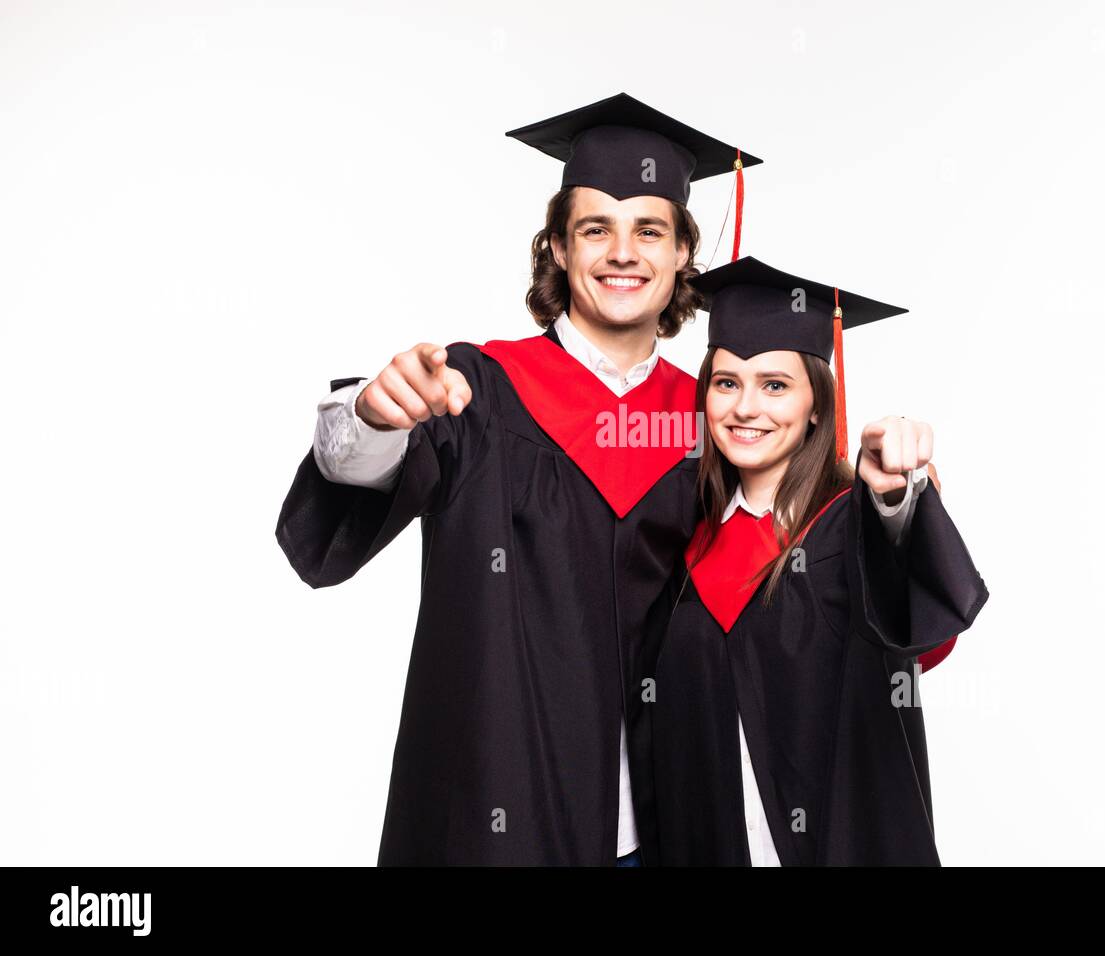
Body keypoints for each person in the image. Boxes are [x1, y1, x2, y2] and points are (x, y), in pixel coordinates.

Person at [274, 93, 762, 865]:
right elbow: (357, 475)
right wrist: (371, 417)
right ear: (560, 250)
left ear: (680, 258)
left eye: (650, 231)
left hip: (667, 826)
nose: (623, 252)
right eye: (596, 228)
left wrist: (890, 509)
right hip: (502, 820)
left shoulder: (717, 422)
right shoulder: (476, 387)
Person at [650, 256, 990, 866]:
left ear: (816, 406)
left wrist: (896, 502)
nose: (745, 408)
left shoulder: (847, 527)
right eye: (727, 383)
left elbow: (921, 637)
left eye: (775, 385)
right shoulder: (690, 542)